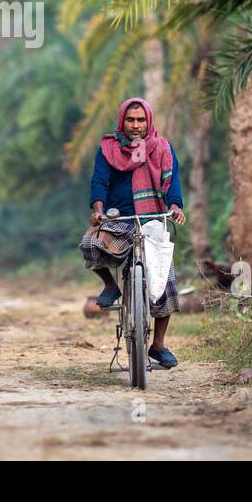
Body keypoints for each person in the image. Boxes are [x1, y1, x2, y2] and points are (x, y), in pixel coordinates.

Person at [79, 97, 186, 369]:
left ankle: (158, 346)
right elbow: (100, 181)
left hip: (152, 219)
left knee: (165, 279)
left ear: (148, 121)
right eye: (130, 119)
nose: (135, 125)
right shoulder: (108, 148)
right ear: (122, 121)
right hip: (119, 218)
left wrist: (175, 206)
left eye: (140, 120)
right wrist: (98, 208)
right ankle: (111, 286)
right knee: (90, 242)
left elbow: (172, 181)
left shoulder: (163, 147)